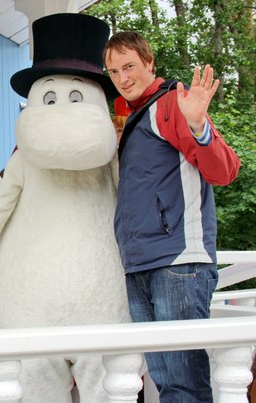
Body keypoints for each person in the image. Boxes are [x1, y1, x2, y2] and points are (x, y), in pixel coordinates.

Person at [103, 31, 241, 403]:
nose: (122, 78)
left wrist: (199, 126)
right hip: (139, 264)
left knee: (183, 385)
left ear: (149, 63)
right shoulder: (133, 116)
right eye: (113, 71)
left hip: (177, 262)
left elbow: (225, 171)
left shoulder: (171, 105)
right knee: (166, 381)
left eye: (129, 66)